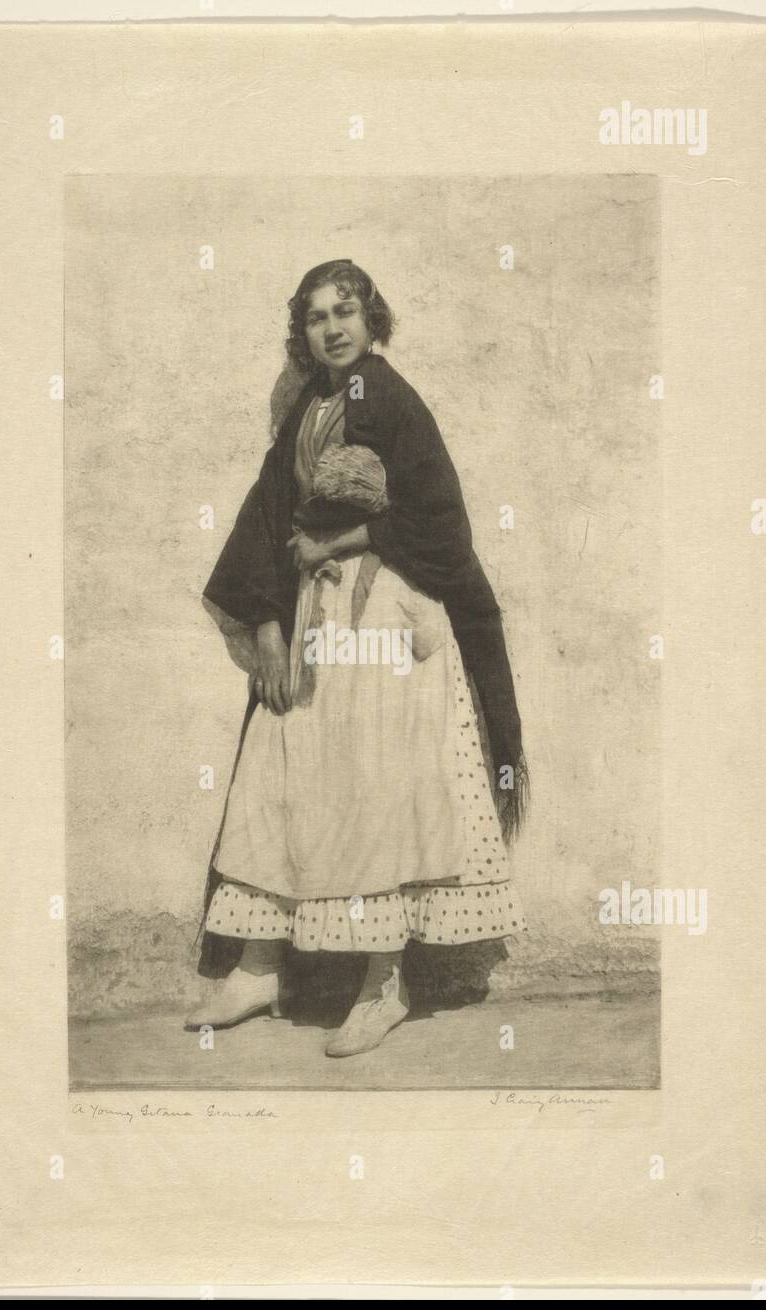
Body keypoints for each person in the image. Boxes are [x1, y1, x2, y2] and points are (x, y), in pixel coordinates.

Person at [186, 259, 528, 1057]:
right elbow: (269, 518)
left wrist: (341, 539)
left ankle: (384, 986)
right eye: (316, 317)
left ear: (374, 322)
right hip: (316, 621)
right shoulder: (312, 405)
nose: (333, 328)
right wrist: (267, 624)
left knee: (381, 785)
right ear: (301, 333)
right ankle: (260, 967)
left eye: (347, 312)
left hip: (388, 622)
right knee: (283, 769)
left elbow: (441, 525)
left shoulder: (394, 400)